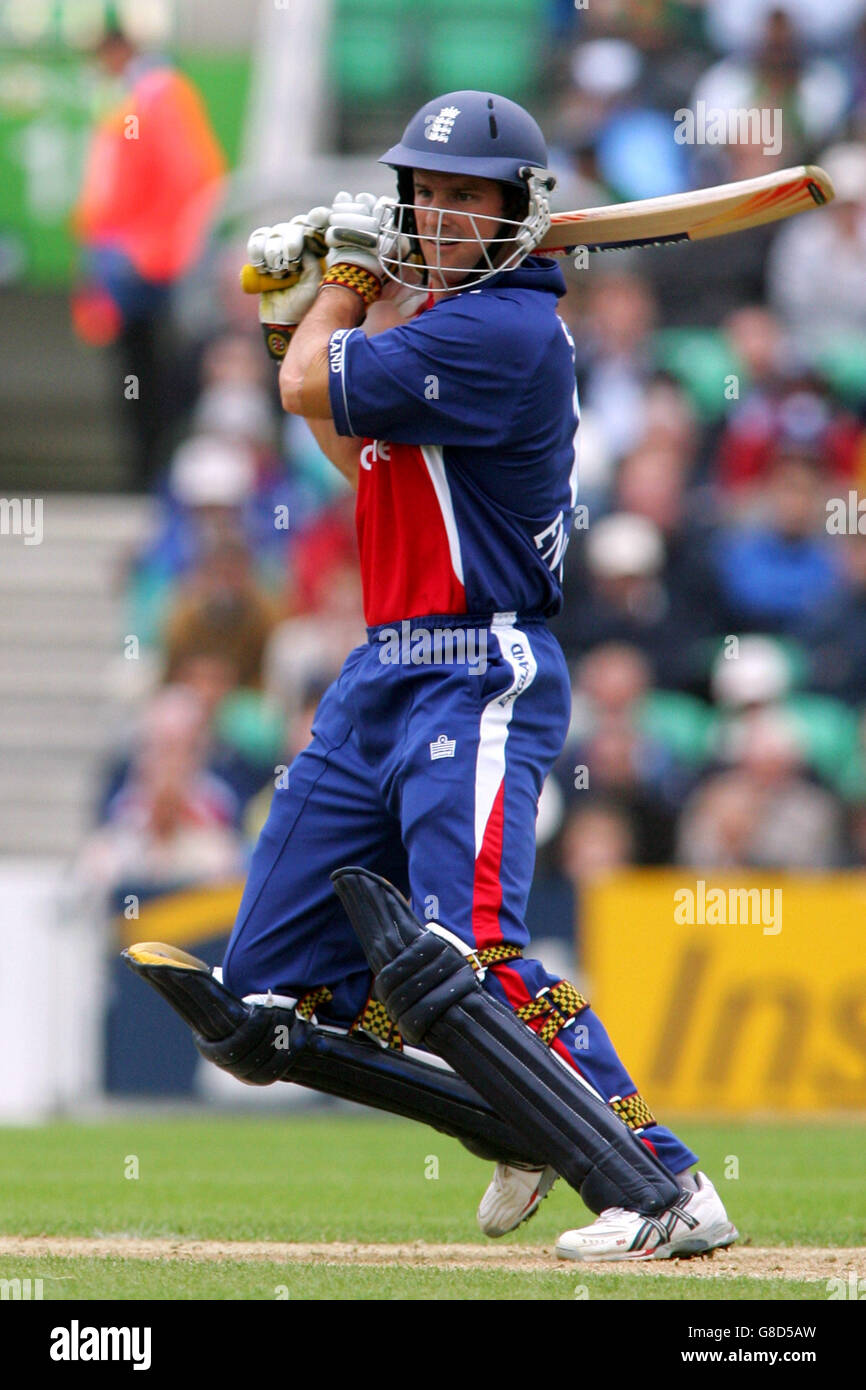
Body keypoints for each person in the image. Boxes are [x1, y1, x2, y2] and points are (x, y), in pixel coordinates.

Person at [126, 92, 737, 1261]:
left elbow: (313, 383)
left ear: (516, 212)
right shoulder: (441, 330)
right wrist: (290, 322)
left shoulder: (499, 327)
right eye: (426, 192)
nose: (441, 213)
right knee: (270, 985)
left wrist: (336, 288)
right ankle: (517, 1110)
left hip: (476, 663)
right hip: (382, 669)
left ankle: (664, 1181)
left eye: (468, 195)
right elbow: (347, 449)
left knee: (472, 954)